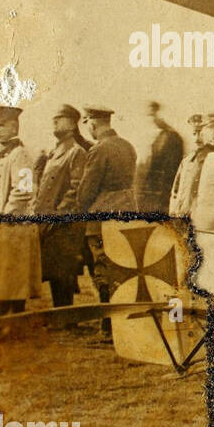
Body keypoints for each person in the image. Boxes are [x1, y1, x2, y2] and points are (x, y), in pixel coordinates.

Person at [76, 105, 137, 335]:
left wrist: (81, 209)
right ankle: (124, 323)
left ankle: (108, 327)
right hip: (128, 213)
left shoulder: (99, 149)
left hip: (102, 217)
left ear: (92, 123)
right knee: (124, 267)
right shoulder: (128, 146)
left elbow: (86, 190)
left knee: (103, 269)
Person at [0, 106, 41, 318]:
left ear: (14, 126)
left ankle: (11, 323)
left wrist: (5, 215)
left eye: (2, 125)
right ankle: (3, 323)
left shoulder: (20, 154)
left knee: (10, 279)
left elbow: (23, 191)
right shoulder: (0, 155)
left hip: (11, 227)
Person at [32, 105, 88, 307]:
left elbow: (76, 188)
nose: (54, 121)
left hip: (63, 223)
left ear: (73, 124)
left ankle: (66, 317)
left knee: (63, 270)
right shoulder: (53, 152)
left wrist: (59, 214)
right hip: (46, 220)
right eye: (54, 118)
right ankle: (61, 315)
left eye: (60, 118)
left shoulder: (76, 152)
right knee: (53, 268)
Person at [135, 101, 184, 213]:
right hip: (144, 196)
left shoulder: (171, 137)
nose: (152, 120)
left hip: (159, 198)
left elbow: (172, 172)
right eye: (149, 116)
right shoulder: (149, 137)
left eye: (153, 115)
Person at [169, 114, 205, 218]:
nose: (197, 139)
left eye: (201, 133)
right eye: (194, 133)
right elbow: (175, 192)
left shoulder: (212, 160)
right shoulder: (186, 160)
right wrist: (173, 213)